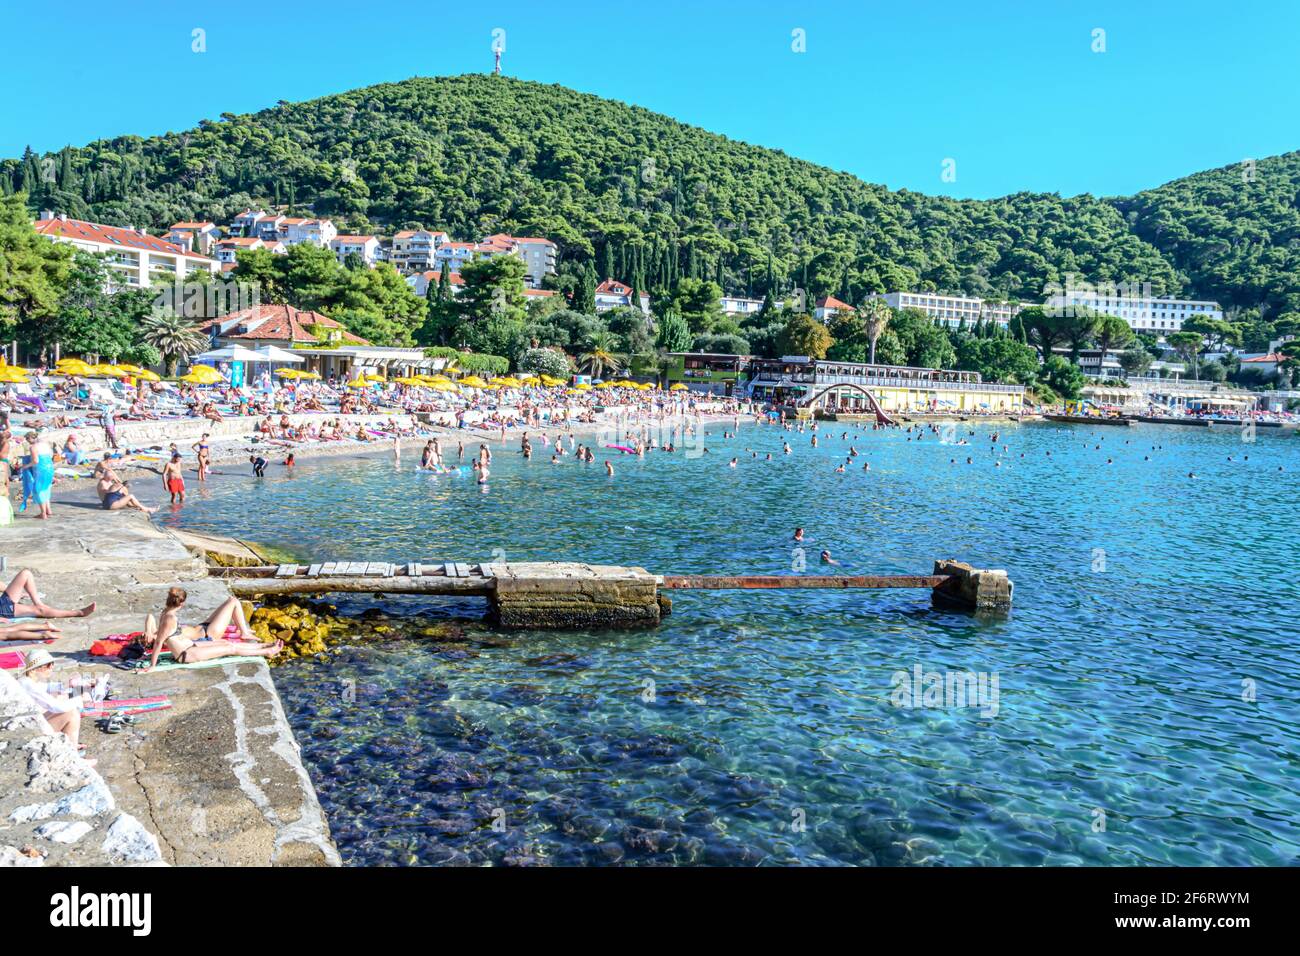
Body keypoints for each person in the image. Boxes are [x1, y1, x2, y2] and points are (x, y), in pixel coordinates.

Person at [141, 589, 281, 671]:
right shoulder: (169, 618)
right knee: (229, 649)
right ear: (181, 603)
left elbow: (151, 620)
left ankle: (264, 645)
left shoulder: (166, 612)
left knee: (227, 644)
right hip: (186, 654)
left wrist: (148, 631)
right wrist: (152, 666)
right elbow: (159, 642)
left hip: (191, 646)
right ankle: (267, 651)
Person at [18, 649, 92, 763]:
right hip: (29, 732)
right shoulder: (28, 684)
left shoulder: (27, 680)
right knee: (71, 713)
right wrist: (80, 698)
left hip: (28, 724)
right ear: (38, 668)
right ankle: (72, 758)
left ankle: (70, 743)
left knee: (63, 697)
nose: (52, 667)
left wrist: (69, 684)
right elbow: (58, 707)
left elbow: (48, 687)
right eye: (49, 665)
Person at [0, 568, 96, 620]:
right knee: (39, 610)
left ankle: (38, 603)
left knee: (26, 573)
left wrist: (16, 591)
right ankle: (78, 613)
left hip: (2, 601)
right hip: (2, 609)